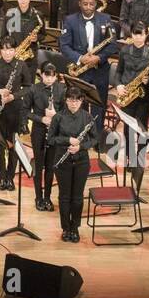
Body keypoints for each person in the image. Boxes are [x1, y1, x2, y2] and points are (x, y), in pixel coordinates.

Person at [46, 84, 100, 242]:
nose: (73, 103)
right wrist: (67, 140)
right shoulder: (58, 117)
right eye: (70, 100)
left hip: (81, 161)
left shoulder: (87, 117)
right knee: (64, 197)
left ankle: (75, 228)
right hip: (62, 161)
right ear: (66, 100)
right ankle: (65, 228)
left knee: (77, 197)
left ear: (82, 100)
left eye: (77, 100)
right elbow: (50, 139)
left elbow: (95, 139)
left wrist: (81, 146)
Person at [0, 38, 32, 190]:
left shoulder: (21, 65)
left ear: (15, 50)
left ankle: (10, 177)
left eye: (11, 49)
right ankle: (1, 177)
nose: (7, 53)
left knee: (13, 146)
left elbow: (28, 87)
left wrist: (14, 96)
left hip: (15, 109)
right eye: (4, 49)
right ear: (0, 50)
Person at [25, 63, 65, 210]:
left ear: (56, 76)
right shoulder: (33, 89)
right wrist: (41, 119)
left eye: (52, 76)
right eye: (46, 75)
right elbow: (25, 111)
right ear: (41, 74)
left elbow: (67, 112)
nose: (49, 79)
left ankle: (47, 197)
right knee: (38, 165)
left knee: (50, 166)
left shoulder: (61, 89)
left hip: (55, 132)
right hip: (39, 131)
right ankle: (38, 197)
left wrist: (56, 116)